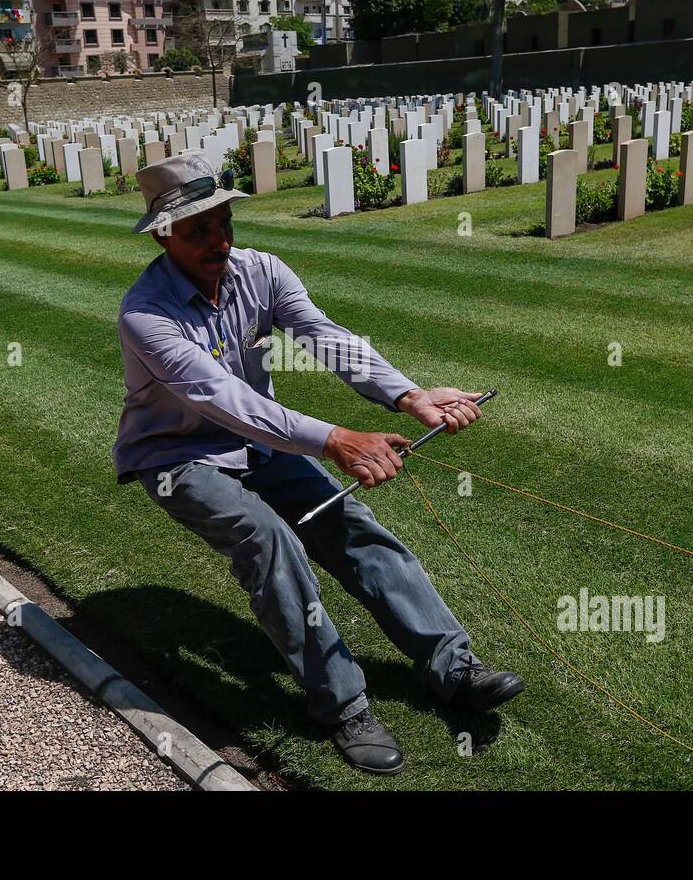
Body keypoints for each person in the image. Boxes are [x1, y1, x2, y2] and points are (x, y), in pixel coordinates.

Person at [113, 151, 524, 775]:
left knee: (352, 527)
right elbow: (228, 402)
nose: (218, 239)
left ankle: (452, 666)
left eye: (223, 221)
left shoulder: (262, 272)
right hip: (179, 457)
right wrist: (337, 441)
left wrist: (409, 396)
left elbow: (325, 337)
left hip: (261, 443)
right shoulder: (146, 314)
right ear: (164, 234)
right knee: (268, 538)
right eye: (198, 230)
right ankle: (342, 705)